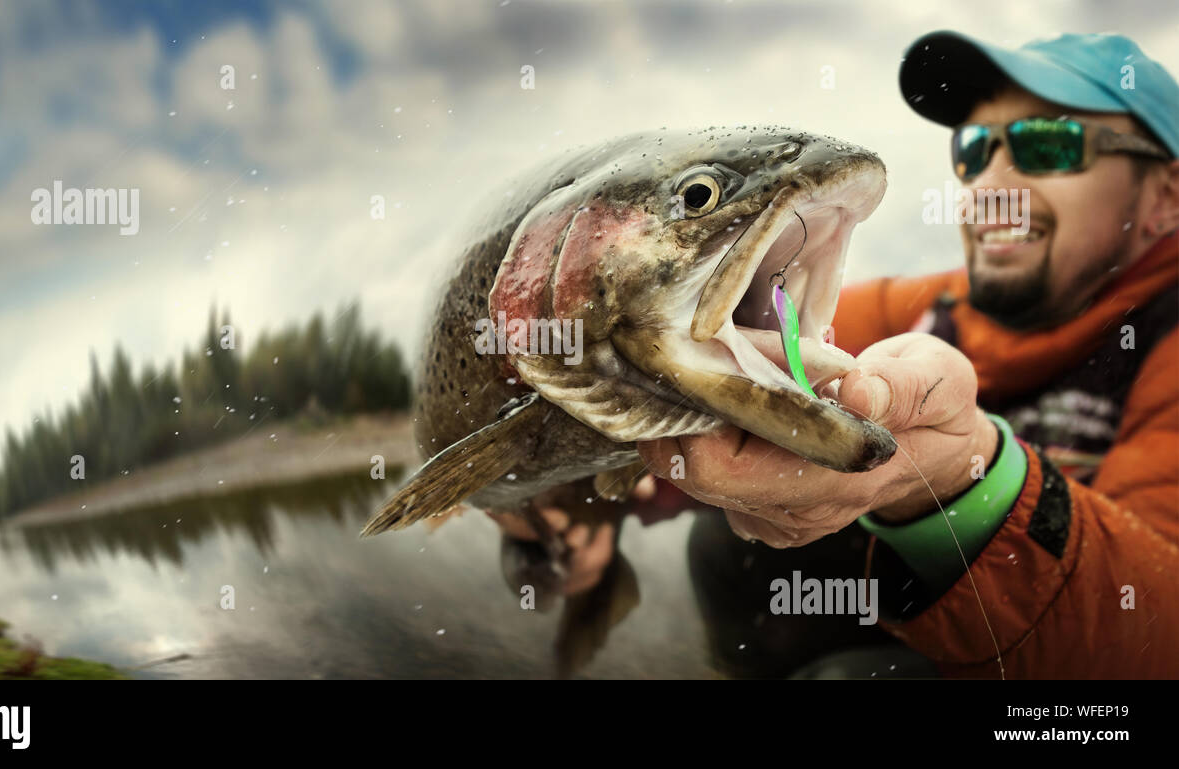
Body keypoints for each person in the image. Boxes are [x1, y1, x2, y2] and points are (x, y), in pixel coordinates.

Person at [499, 30, 1179, 679]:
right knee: (729, 549)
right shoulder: (932, 304)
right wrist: (583, 497)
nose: (990, 181)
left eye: (1048, 144)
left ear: (1166, 197)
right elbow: (699, 357)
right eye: (973, 148)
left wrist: (969, 482)